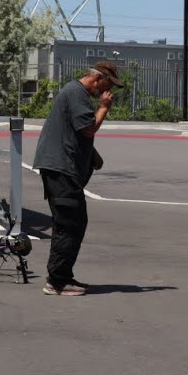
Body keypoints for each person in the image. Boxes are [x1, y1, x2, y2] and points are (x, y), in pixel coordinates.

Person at [31, 60, 120, 296]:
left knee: (70, 224)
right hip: (62, 170)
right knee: (69, 225)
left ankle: (61, 277)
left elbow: (74, 133)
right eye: (107, 85)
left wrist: (92, 155)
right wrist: (103, 108)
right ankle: (57, 281)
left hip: (60, 168)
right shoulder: (77, 94)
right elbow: (88, 129)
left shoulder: (73, 92)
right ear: (98, 78)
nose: (106, 91)